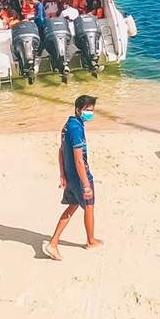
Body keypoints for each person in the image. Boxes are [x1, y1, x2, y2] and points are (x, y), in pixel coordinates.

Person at [45, 95, 103, 261]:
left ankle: (53, 243)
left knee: (73, 206)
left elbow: (61, 150)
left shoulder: (68, 125)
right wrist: (86, 184)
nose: (90, 113)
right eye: (87, 110)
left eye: (92, 110)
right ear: (78, 110)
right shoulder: (76, 129)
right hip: (80, 175)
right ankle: (91, 241)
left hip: (70, 175)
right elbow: (78, 159)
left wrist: (62, 174)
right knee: (89, 206)